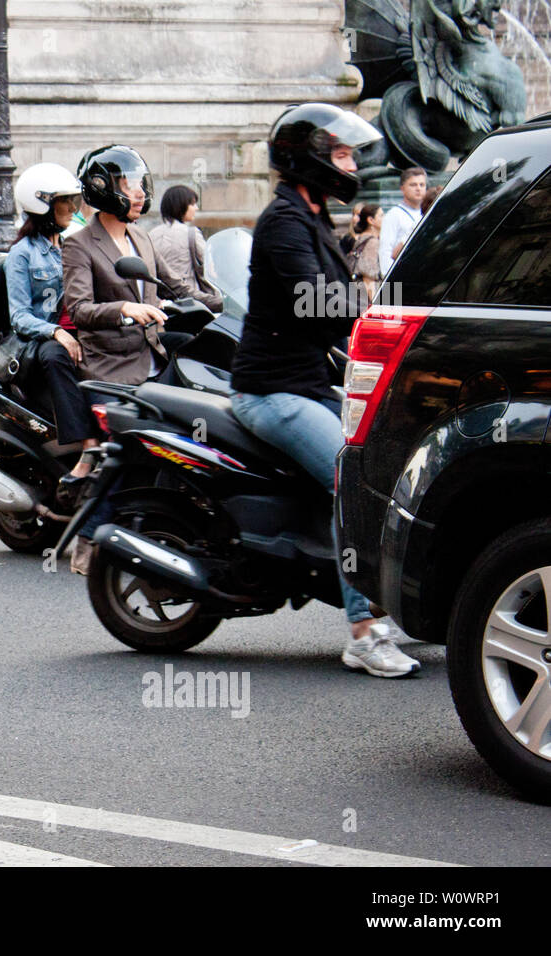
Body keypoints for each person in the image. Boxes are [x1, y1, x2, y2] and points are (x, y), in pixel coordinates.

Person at [229, 102, 421, 678]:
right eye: (339, 154)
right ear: (308, 158)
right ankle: (362, 631)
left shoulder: (313, 218)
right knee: (352, 477)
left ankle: (391, 603)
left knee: (387, 453)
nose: (350, 164)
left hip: (308, 384)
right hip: (269, 391)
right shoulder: (284, 223)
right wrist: (390, 317)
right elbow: (316, 302)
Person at [62, 144, 199, 574]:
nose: (139, 193)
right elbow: (79, 308)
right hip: (112, 366)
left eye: (140, 184)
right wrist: (126, 309)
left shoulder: (142, 236)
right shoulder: (79, 245)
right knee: (136, 444)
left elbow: (176, 288)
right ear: (104, 188)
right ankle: (88, 537)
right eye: (128, 184)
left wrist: (232, 305)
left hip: (154, 359)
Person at [3, 162, 100, 488]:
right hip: (41, 337)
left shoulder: (74, 242)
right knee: (55, 356)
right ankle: (87, 447)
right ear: (42, 205)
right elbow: (19, 316)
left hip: (80, 327)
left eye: (73, 201)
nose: (72, 208)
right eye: (64, 201)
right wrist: (57, 332)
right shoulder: (22, 254)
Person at [148, 184, 224, 311]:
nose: (196, 208)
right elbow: (209, 268)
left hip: (161, 302)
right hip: (192, 300)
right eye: (192, 204)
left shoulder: (151, 234)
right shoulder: (191, 233)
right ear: (181, 205)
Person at [378, 166, 427, 277]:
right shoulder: (394, 215)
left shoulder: (427, 212)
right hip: (402, 277)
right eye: (413, 185)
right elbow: (385, 250)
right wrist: (390, 278)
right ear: (402, 188)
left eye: (422, 185)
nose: (418, 188)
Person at [348, 203, 382, 299]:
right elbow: (368, 278)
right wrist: (375, 305)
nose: (384, 218)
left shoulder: (362, 238)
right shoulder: (372, 242)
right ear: (371, 220)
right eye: (381, 215)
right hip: (366, 298)